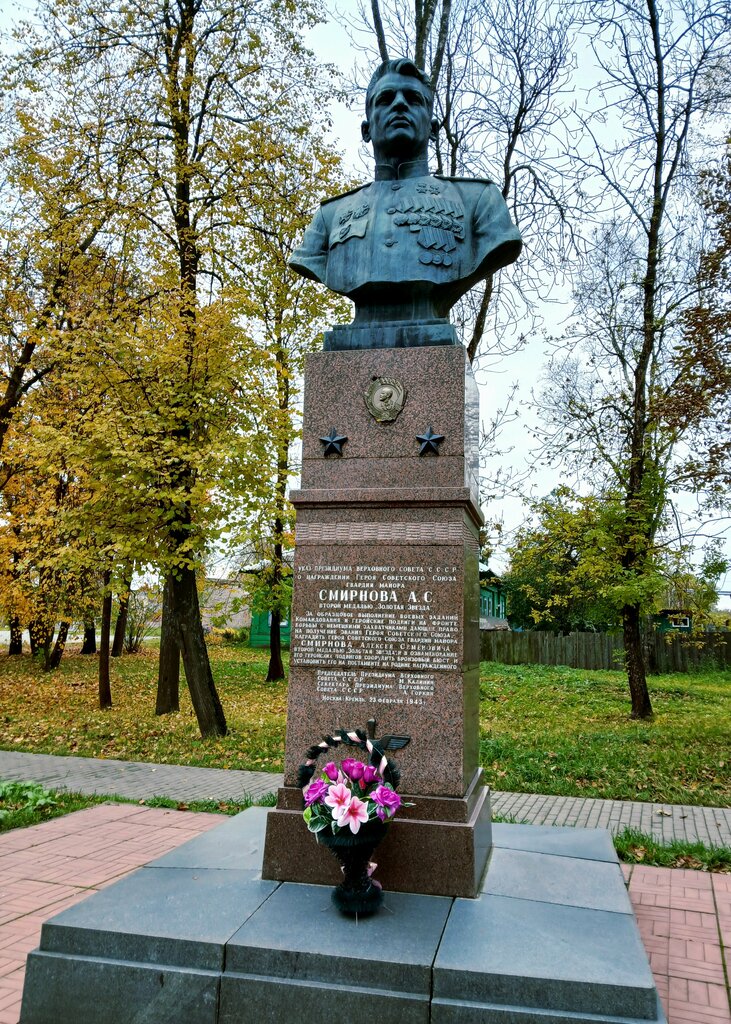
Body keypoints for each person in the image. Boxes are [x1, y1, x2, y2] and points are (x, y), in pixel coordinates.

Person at [290, 58, 522, 328]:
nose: (399, 104)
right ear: (366, 130)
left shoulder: (477, 200)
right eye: (385, 99)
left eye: (413, 99)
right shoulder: (329, 216)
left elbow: (500, 245)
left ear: (433, 129)